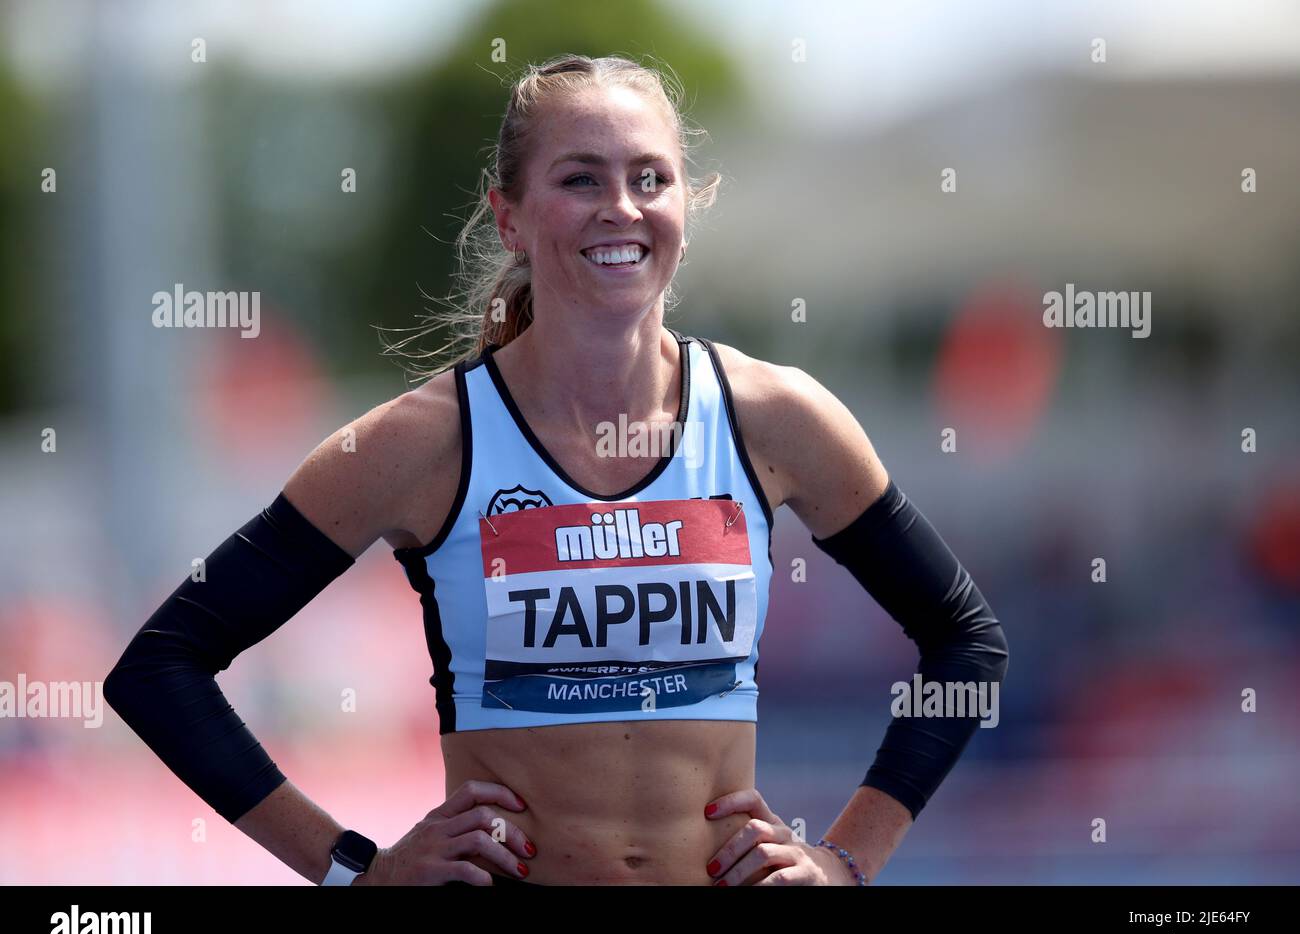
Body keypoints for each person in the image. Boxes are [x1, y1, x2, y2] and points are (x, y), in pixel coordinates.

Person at [104, 53, 1009, 886]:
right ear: (510, 216)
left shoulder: (777, 416)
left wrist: (849, 860)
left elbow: (965, 639)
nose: (621, 206)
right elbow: (161, 667)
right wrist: (355, 869)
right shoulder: (418, 442)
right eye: (581, 179)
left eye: (650, 178)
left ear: (685, 208)